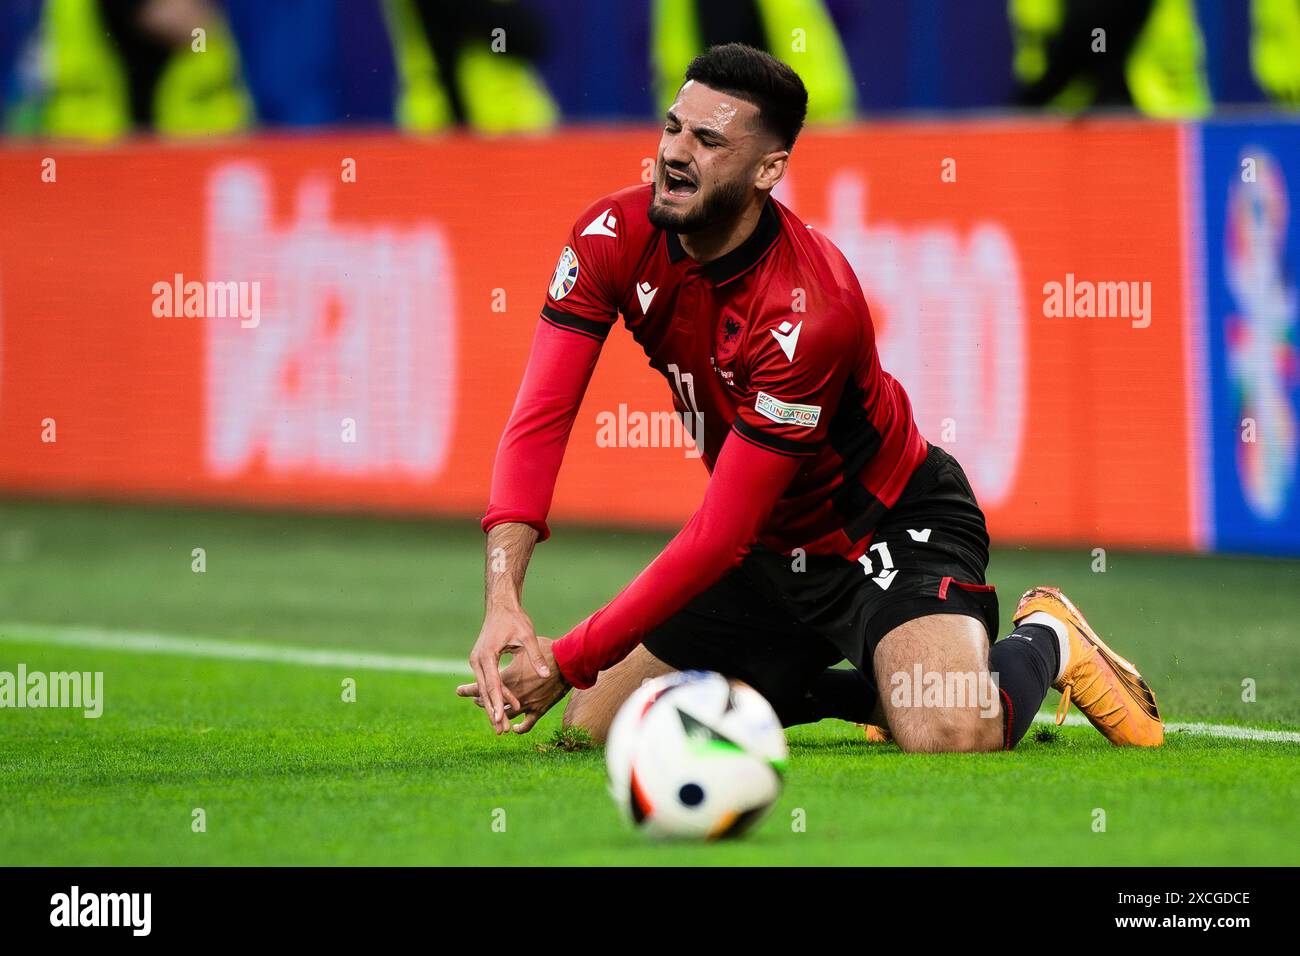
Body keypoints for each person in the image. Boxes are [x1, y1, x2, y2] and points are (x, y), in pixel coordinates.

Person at [458, 43, 1164, 752]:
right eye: (674, 127)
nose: (675, 154)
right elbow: (541, 420)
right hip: (768, 554)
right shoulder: (609, 236)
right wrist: (503, 598)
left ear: (769, 169)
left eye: (708, 140)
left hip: (884, 530)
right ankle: (877, 688)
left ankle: (1046, 639)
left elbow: (720, 532)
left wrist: (571, 658)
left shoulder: (809, 309)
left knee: (950, 730)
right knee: (600, 729)